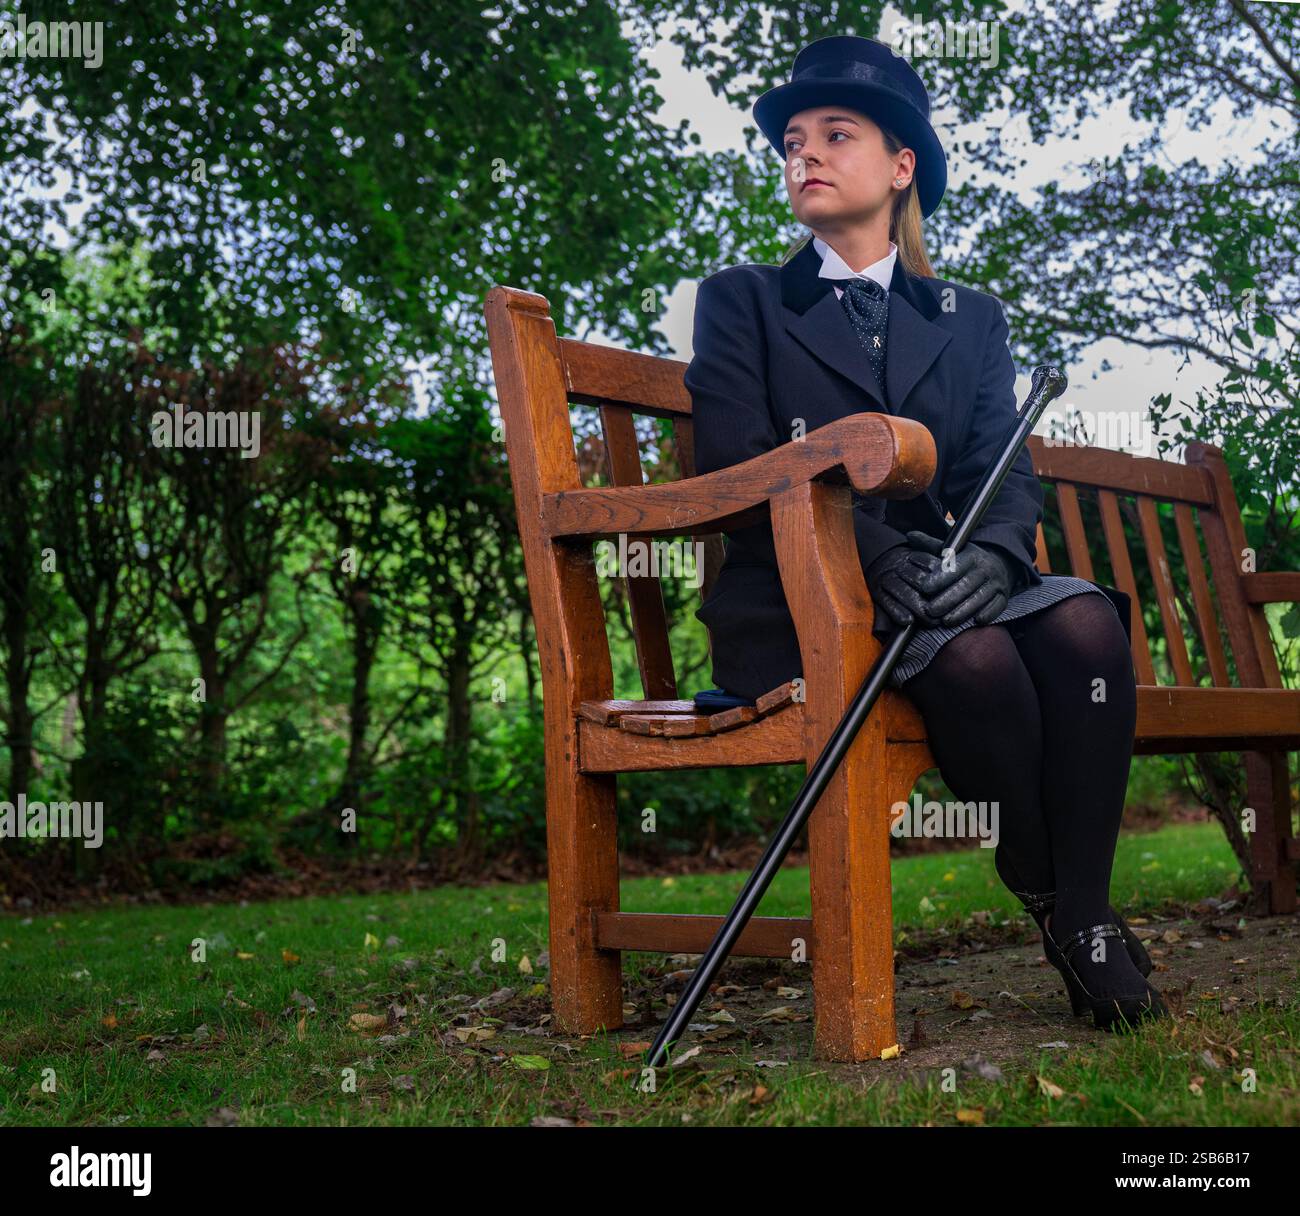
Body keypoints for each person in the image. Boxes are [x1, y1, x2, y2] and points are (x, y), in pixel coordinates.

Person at [685, 35, 1166, 1031]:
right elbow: (735, 466)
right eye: (789, 141)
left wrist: (990, 558)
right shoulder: (742, 302)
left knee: (1082, 626)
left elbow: (1005, 466)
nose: (801, 153)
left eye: (834, 134)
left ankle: (1076, 910)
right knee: (978, 662)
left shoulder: (969, 317)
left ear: (901, 166)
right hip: (804, 595)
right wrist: (878, 552)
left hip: (953, 579)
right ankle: (1051, 887)